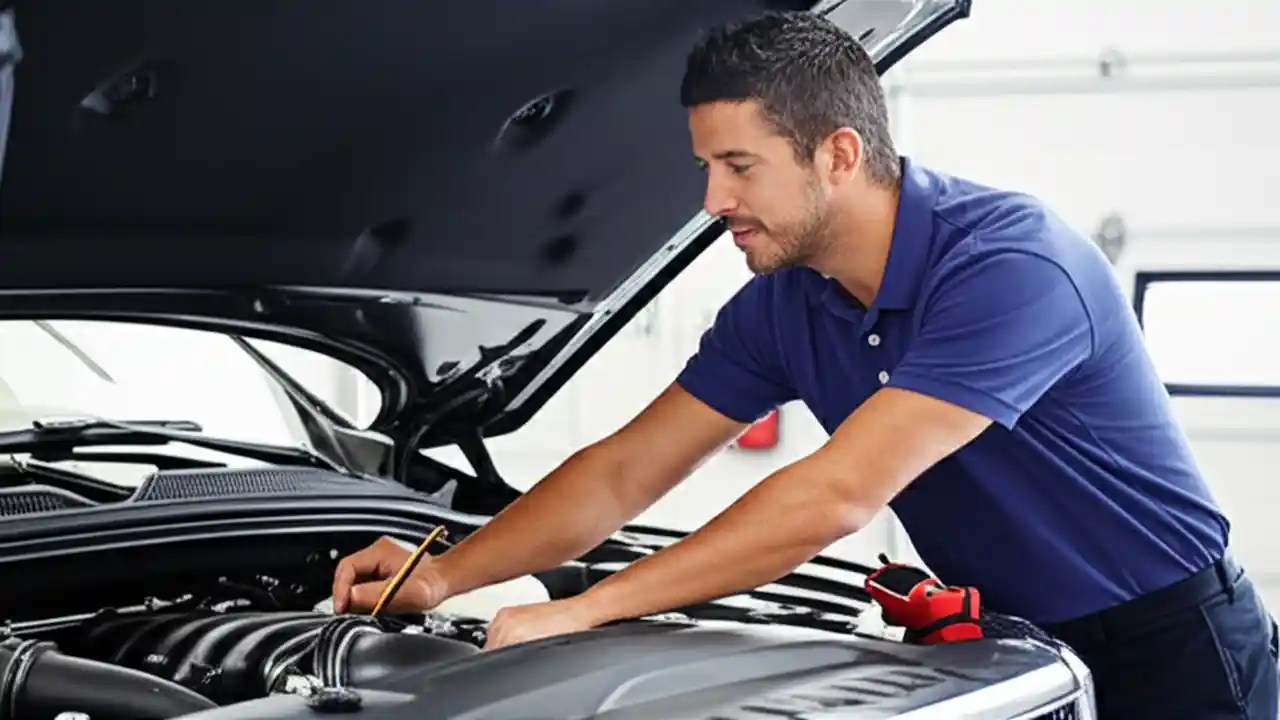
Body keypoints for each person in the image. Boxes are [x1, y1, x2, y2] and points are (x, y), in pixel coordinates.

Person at [332, 11, 1278, 717]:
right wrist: (446, 576)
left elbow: (837, 495)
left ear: (837, 153)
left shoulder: (1011, 267)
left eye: (739, 166)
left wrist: (591, 611)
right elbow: (623, 469)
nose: (711, 200)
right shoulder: (786, 305)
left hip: (1177, 648)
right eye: (706, 167)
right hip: (1009, 642)